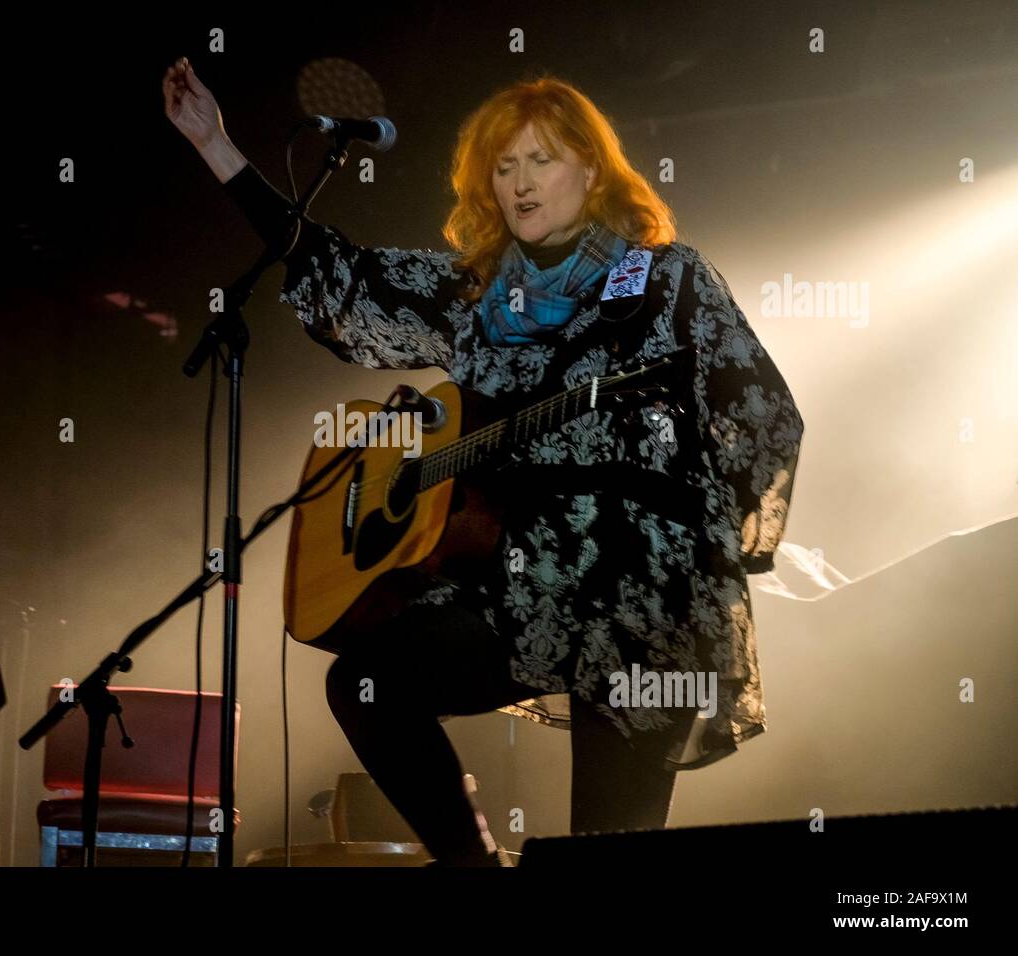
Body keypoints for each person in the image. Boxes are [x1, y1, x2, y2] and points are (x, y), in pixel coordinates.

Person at [164, 56, 804, 866]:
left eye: (542, 159)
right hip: (523, 590)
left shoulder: (665, 278)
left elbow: (762, 410)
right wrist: (220, 151)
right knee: (367, 682)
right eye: (504, 167)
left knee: (610, 846)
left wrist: (718, 541)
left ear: (591, 169)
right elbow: (341, 272)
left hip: (643, 600)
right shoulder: (476, 295)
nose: (521, 182)